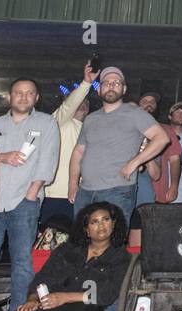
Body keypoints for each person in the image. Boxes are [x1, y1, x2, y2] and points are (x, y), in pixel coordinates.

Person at [0, 77, 61, 311]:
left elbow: (47, 160)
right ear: (9, 97)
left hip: (24, 202)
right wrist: (3, 157)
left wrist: (31, 195)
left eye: (29, 93)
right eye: (18, 92)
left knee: (22, 263)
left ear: (36, 98)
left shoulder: (47, 123)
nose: (23, 97)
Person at [9, 202, 130, 311]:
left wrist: (64, 298)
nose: (101, 225)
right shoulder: (67, 250)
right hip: (52, 303)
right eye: (94, 222)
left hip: (85, 309)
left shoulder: (121, 257)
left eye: (106, 219)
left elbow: (106, 294)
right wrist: (32, 299)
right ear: (86, 230)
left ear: (113, 224)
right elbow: (43, 277)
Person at [67, 67, 168, 225]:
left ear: (124, 89)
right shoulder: (91, 118)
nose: (111, 85)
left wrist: (134, 163)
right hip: (85, 191)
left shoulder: (135, 113)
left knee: (113, 243)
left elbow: (162, 138)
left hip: (117, 190)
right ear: (99, 89)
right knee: (82, 242)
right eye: (106, 83)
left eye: (116, 82)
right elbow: (78, 152)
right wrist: (72, 184)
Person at [42, 61, 98, 223]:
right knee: (48, 242)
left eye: (86, 102)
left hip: (84, 195)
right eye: (78, 101)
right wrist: (86, 83)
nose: (82, 105)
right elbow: (68, 107)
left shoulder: (92, 128)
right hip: (54, 194)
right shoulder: (56, 123)